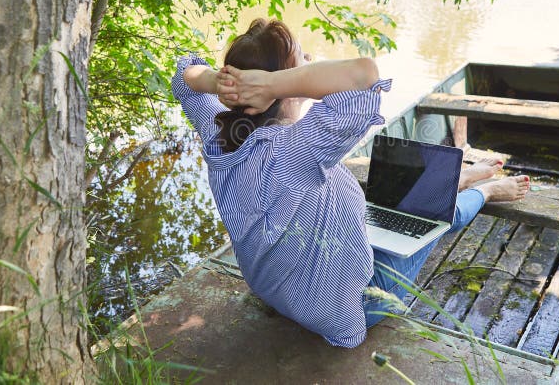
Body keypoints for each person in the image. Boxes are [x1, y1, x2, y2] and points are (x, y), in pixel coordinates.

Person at [171, 18, 530, 348]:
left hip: (279, 288)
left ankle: (461, 177)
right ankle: (484, 191)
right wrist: (273, 85)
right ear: (271, 86)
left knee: (384, 205)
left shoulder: (219, 131)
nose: (311, 61)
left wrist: (219, 83)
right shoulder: (291, 150)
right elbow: (364, 75)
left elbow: (184, 75)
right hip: (343, 310)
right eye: (302, 61)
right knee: (434, 218)